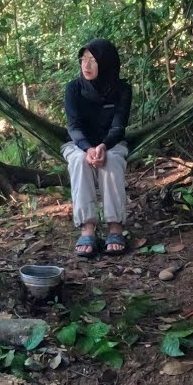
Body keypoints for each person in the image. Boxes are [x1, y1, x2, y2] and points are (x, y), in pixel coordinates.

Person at [63, 38, 132, 257]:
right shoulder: (74, 88)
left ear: (107, 62)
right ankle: (87, 229)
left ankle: (115, 227)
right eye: (83, 60)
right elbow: (73, 126)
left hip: (111, 143)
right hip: (79, 144)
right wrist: (87, 148)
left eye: (92, 60)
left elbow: (119, 126)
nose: (86, 65)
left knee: (112, 161)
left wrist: (102, 146)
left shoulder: (122, 89)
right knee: (78, 162)